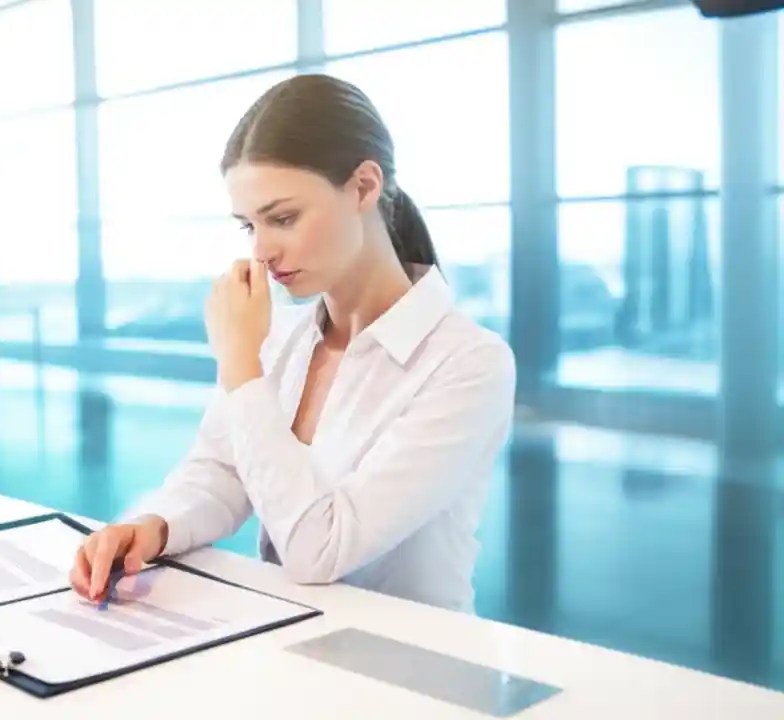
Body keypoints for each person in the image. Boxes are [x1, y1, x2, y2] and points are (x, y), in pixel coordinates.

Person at [69, 74, 516, 614]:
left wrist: (240, 365)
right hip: (291, 641)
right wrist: (152, 527)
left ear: (363, 187)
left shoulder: (468, 363)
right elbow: (224, 472)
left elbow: (320, 549)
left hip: (414, 666)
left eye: (283, 218)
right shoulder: (279, 338)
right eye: (248, 226)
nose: (262, 252)